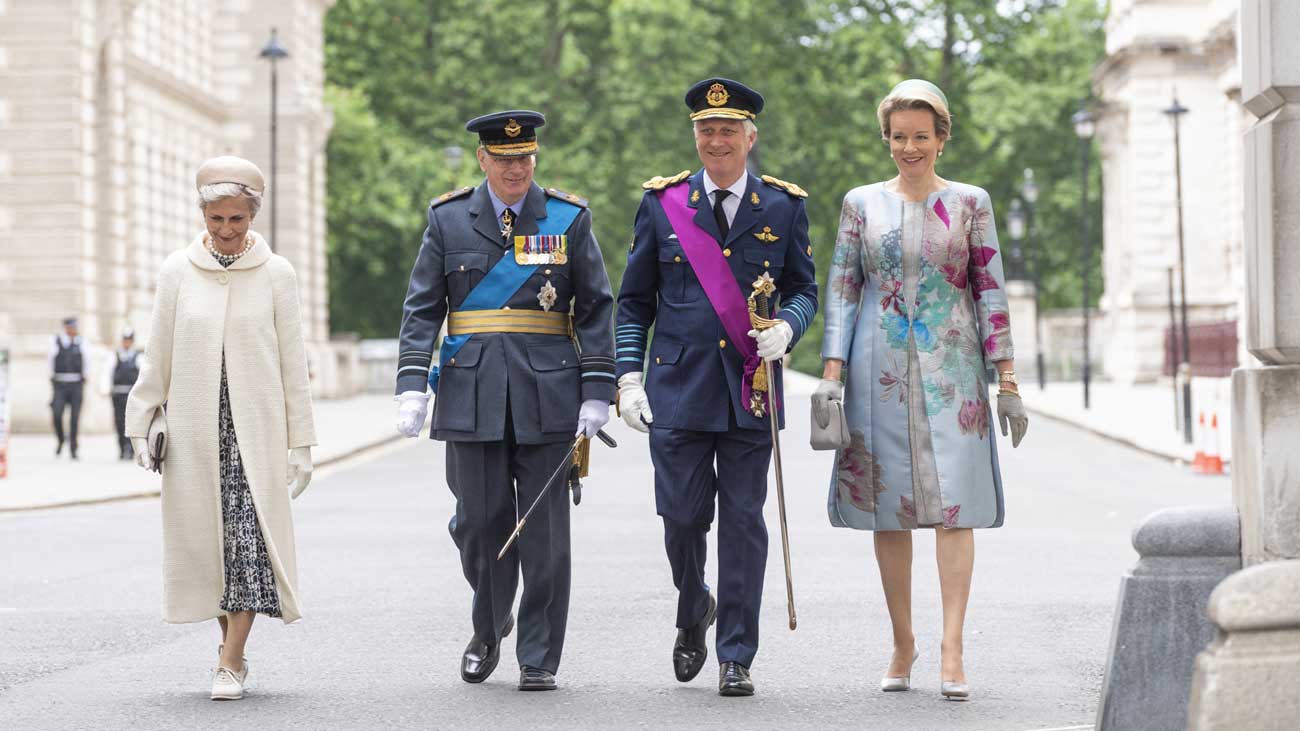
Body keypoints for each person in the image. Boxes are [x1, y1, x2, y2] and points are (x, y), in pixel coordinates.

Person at [814, 79, 1029, 701]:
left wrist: (1006, 378)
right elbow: (843, 289)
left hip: (952, 365)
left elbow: (989, 288)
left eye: (921, 136)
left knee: (954, 504)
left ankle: (953, 647)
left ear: (941, 138)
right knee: (890, 506)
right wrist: (830, 374)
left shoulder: (970, 203)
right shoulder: (861, 203)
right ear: (888, 140)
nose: (909, 147)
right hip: (874, 366)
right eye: (899, 137)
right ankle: (903, 640)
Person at [394, 111, 615, 691]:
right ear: (483, 160)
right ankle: (490, 625)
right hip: (471, 394)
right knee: (477, 524)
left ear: (534, 159)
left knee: (544, 534)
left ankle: (538, 656)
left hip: (549, 394)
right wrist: (412, 383)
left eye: (524, 158)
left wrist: (598, 391)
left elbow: (594, 307)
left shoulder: (568, 217)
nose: (515, 168)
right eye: (504, 158)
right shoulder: (447, 219)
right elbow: (422, 308)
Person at [615, 78, 818, 697]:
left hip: (749, 389)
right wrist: (627, 377)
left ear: (750, 137)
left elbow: (805, 288)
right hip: (676, 388)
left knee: (742, 522)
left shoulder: (782, 206)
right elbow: (633, 303)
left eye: (729, 129)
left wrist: (789, 325)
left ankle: (736, 652)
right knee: (680, 518)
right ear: (695, 137)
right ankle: (693, 601)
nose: (717, 140)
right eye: (707, 129)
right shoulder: (663, 203)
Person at [125, 156, 316, 701]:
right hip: (194, 436)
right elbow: (156, 354)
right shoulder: (175, 272)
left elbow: (291, 364)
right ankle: (228, 647)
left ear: (253, 215)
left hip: (254, 434)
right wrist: (140, 423)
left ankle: (230, 660)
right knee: (209, 549)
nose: (227, 230)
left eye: (237, 219)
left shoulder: (278, 274)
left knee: (250, 546)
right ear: (203, 216)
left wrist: (300, 442)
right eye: (217, 220)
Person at [49, 316, 87, 459]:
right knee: (57, 414)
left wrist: (84, 378)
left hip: (76, 384)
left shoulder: (82, 342)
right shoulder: (55, 341)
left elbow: (86, 362)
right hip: (60, 383)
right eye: (70, 327)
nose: (72, 330)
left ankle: (73, 447)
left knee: (74, 418)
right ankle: (60, 439)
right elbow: (50, 361)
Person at [100, 327, 139, 460]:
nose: (126, 343)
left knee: (132, 422)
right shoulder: (114, 355)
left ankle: (131, 448)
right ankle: (122, 448)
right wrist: (105, 389)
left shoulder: (138, 357)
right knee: (119, 422)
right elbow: (107, 373)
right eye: (125, 340)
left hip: (133, 396)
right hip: (118, 394)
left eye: (129, 340)